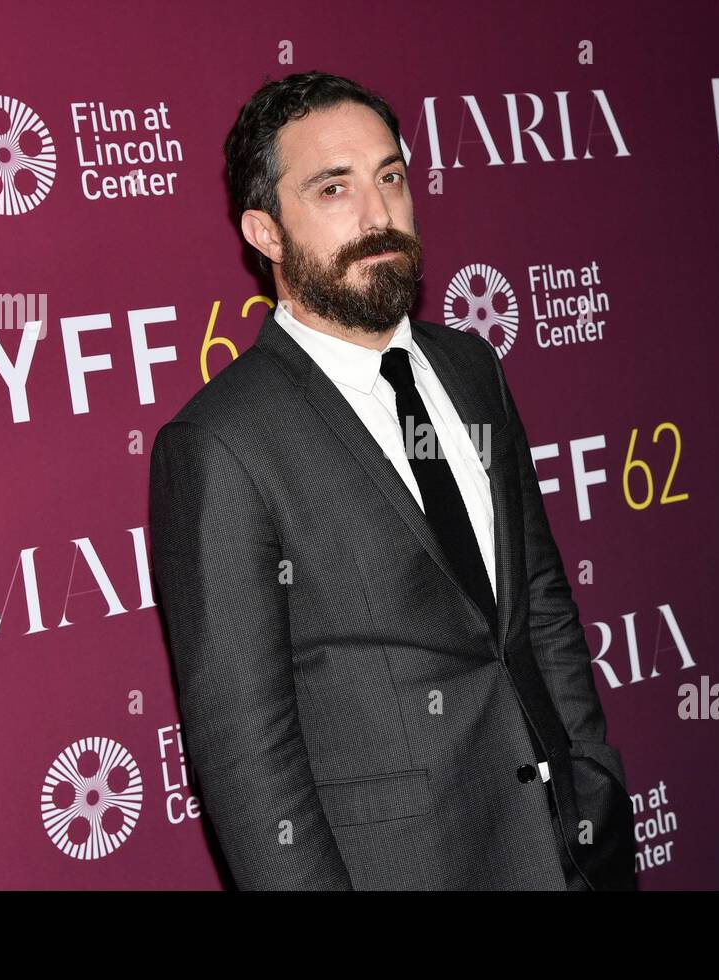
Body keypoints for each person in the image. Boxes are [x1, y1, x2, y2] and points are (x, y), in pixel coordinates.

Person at [148, 70, 635, 890]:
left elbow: (540, 601)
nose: (379, 216)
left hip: (571, 851)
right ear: (265, 233)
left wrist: (595, 777)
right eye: (334, 188)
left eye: (391, 177)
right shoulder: (221, 445)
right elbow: (246, 753)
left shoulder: (471, 368)